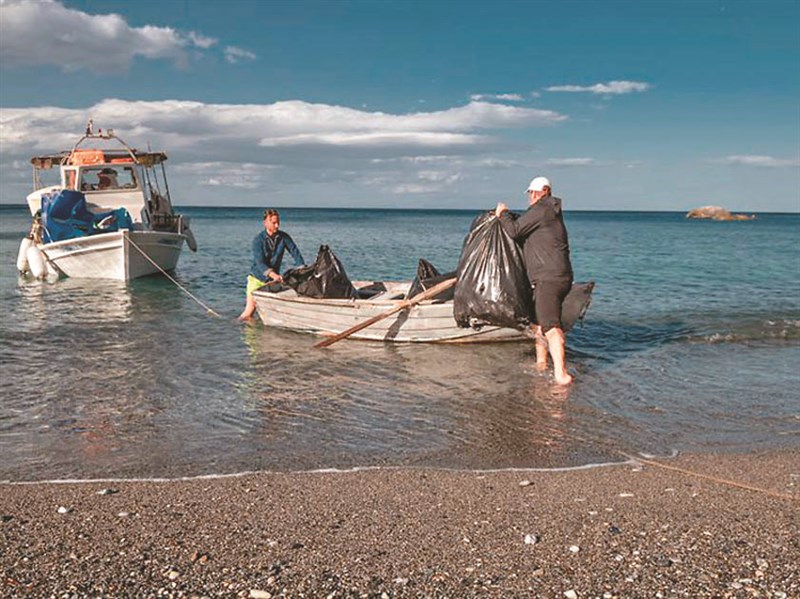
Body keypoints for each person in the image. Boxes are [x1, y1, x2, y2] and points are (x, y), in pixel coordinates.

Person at [495, 176, 575, 385]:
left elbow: (514, 230)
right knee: (538, 323)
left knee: (550, 325)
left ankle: (561, 374)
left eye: (533, 192)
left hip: (549, 278)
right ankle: (542, 363)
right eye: (530, 193)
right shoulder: (546, 212)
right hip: (551, 277)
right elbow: (523, 229)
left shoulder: (543, 210)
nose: (531, 196)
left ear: (543, 192)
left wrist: (502, 214)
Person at [238, 209, 305, 321]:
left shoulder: (284, 237)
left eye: (278, 222)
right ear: (265, 222)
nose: (277, 225)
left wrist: (302, 268)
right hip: (257, 279)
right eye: (274, 223)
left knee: (272, 310)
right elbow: (260, 263)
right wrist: (273, 275)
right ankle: (237, 328)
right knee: (249, 312)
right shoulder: (258, 240)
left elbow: (295, 253)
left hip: (272, 282)